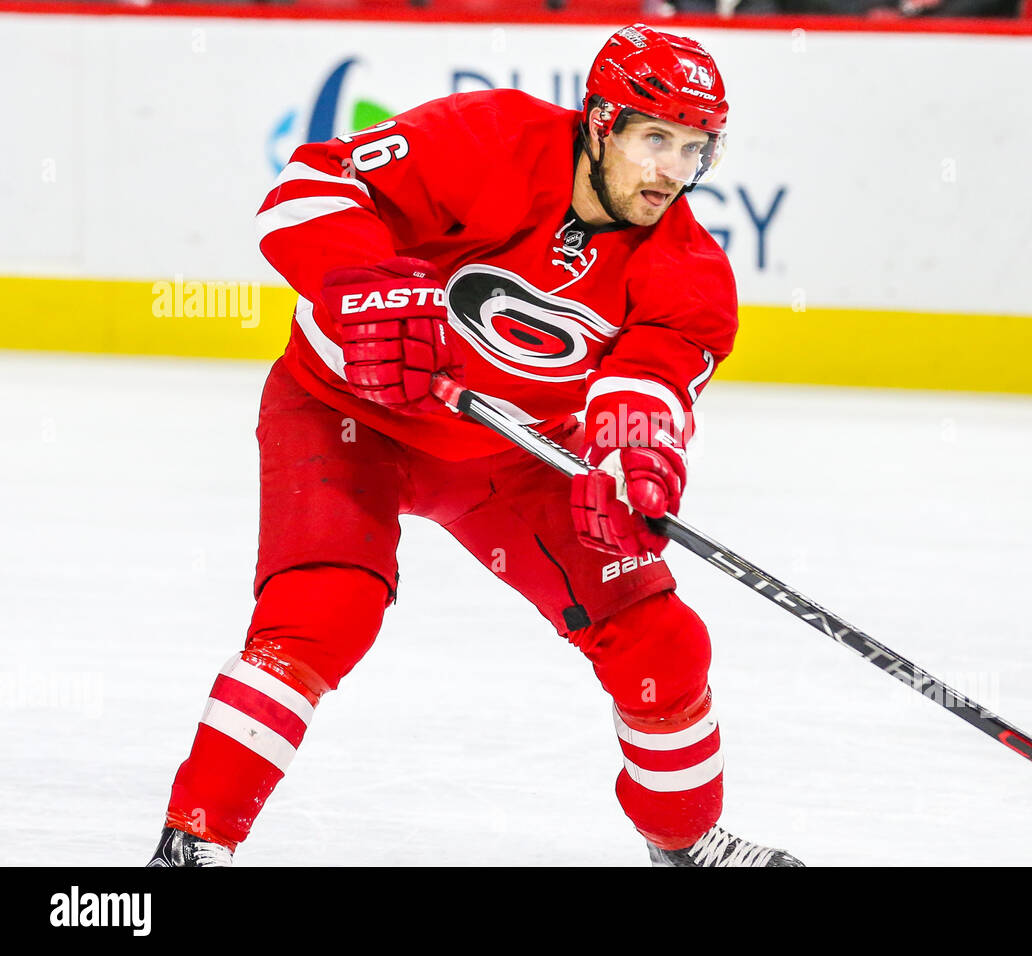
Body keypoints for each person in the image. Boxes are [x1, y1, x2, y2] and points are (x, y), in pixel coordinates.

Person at [149, 23, 804, 868]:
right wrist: (372, 292)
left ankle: (682, 841)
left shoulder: (687, 272)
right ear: (600, 121)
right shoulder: (489, 140)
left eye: (694, 148)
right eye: (654, 139)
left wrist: (631, 466)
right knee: (321, 611)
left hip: (509, 457)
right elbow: (308, 190)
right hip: (344, 412)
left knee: (660, 640)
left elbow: (648, 390)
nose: (673, 171)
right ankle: (194, 845)